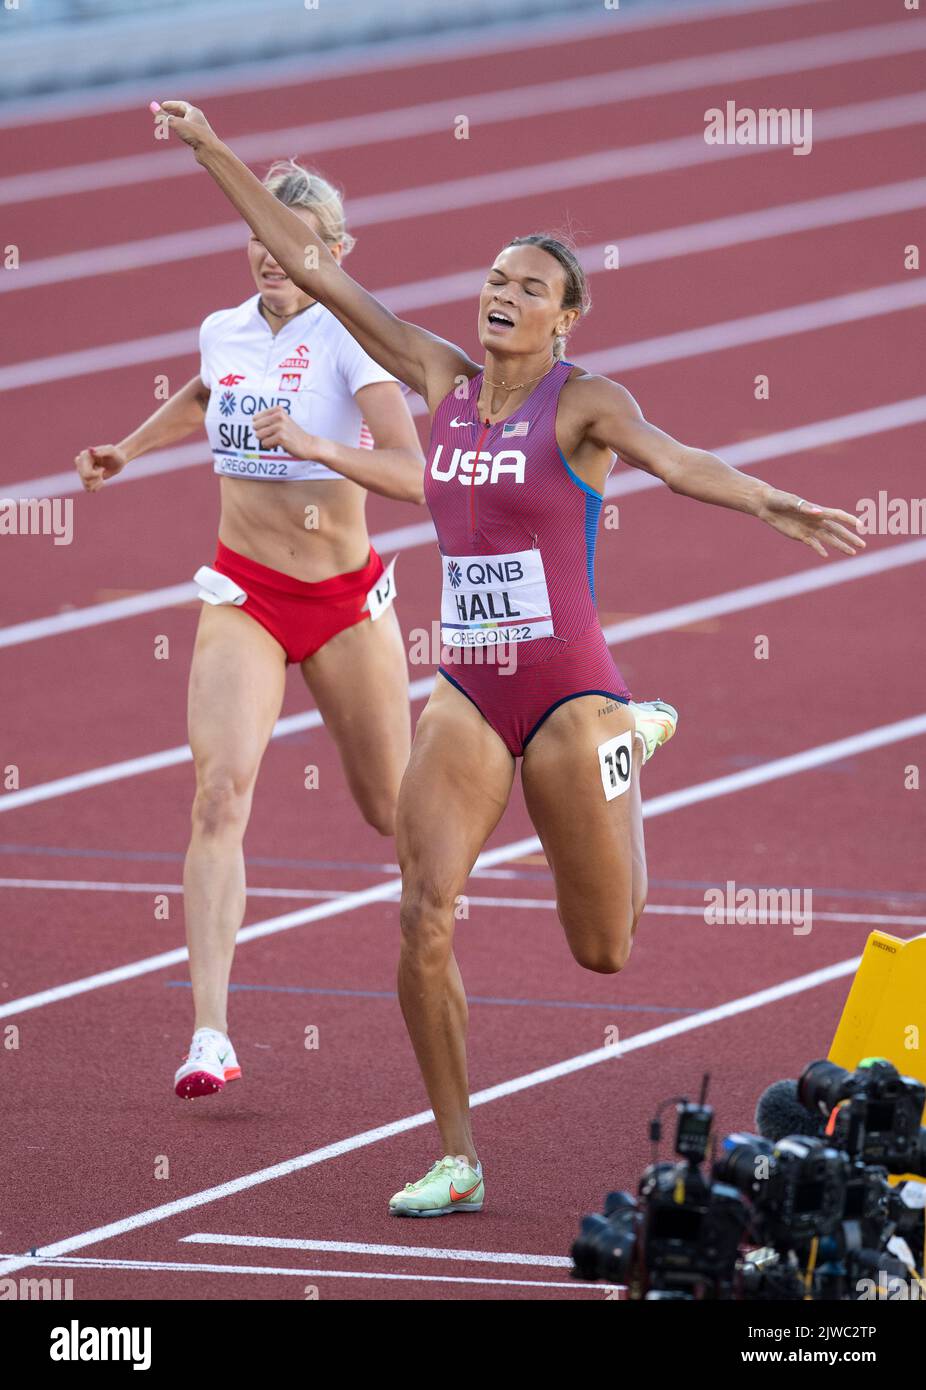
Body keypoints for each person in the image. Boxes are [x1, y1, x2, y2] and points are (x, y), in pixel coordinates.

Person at [155, 99, 864, 1208]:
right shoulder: (437, 379)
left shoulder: (585, 404)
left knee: (604, 948)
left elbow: (678, 461)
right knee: (420, 911)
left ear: (564, 320)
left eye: (531, 287)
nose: (504, 294)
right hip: (470, 693)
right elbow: (313, 265)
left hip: (569, 693)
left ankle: (631, 737)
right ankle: (457, 1156)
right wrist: (211, 150)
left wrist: (771, 501)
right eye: (496, 278)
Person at [75, 158, 424, 1100]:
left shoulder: (353, 338)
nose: (274, 254)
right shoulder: (222, 329)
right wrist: (128, 449)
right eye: (261, 236)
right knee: (218, 798)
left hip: (344, 602)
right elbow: (204, 394)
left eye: (294, 241)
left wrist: (314, 445)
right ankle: (210, 1035)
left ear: (335, 251)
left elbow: (412, 471)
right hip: (245, 593)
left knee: (391, 810)